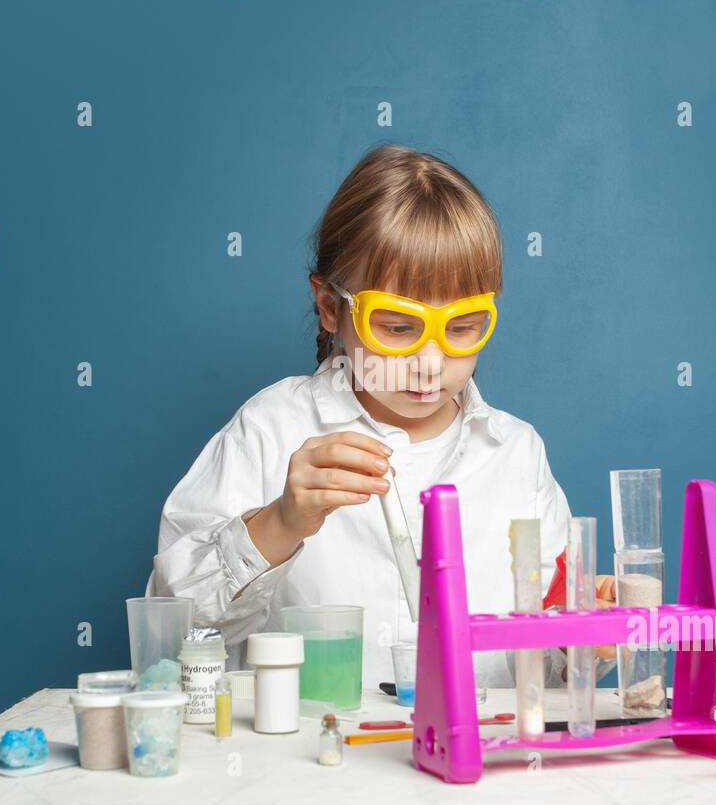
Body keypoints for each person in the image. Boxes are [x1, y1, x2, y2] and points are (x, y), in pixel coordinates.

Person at [147, 143, 615, 690]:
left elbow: (550, 679)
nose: (430, 365)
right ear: (329, 307)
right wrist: (278, 524)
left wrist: (578, 632)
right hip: (311, 764)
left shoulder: (516, 453)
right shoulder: (271, 429)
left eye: (462, 327)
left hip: (475, 767)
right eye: (397, 328)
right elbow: (171, 640)